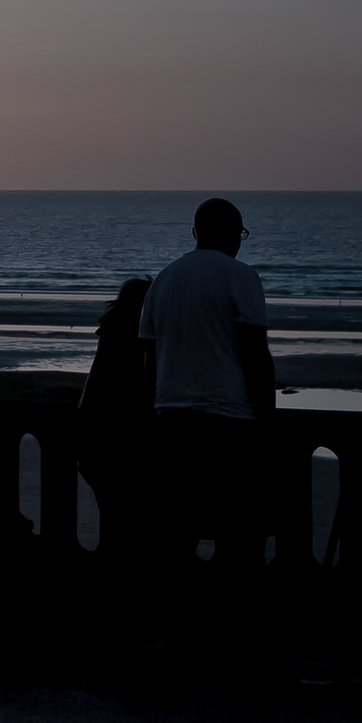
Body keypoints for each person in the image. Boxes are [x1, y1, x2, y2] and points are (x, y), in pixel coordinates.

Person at [139, 198, 275, 573]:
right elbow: (255, 354)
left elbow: (149, 363)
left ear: (195, 232)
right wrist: (267, 419)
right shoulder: (241, 276)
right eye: (241, 233)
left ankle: (172, 621)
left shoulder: (164, 280)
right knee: (242, 535)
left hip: (172, 421)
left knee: (177, 534)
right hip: (229, 422)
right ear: (234, 233)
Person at [77, 275, 154, 560]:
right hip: (119, 440)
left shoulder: (111, 330)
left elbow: (96, 381)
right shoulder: (143, 336)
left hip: (98, 437)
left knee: (113, 517)